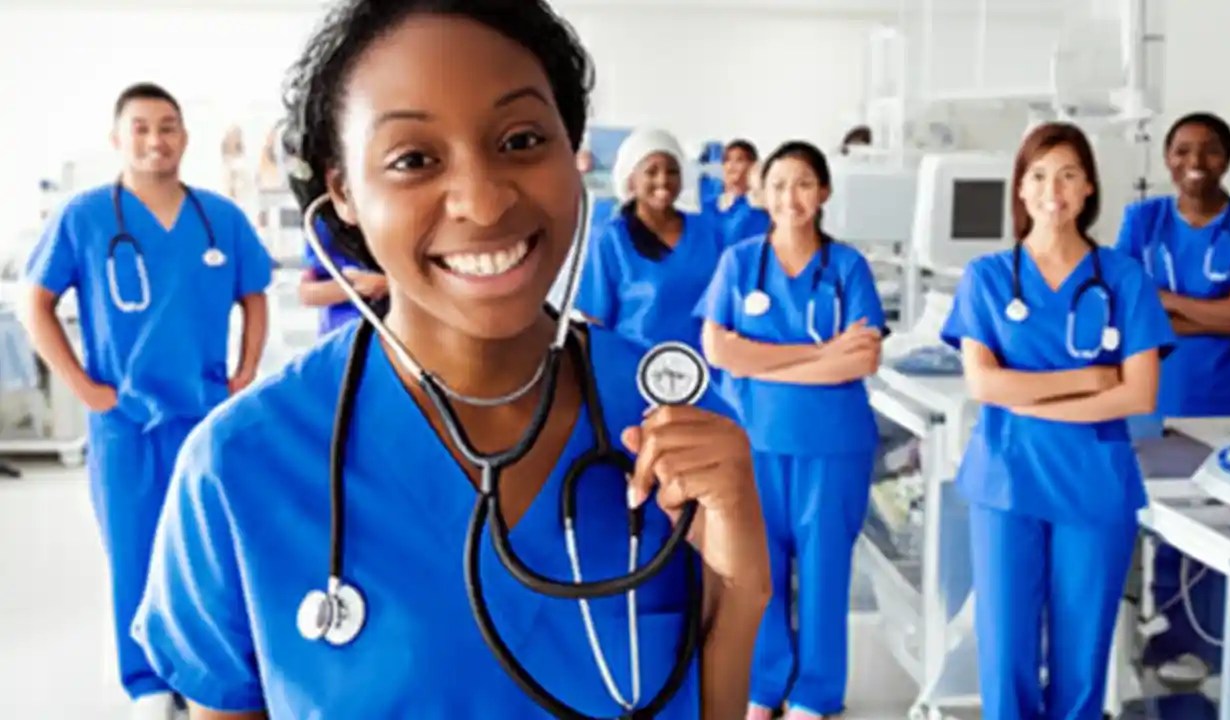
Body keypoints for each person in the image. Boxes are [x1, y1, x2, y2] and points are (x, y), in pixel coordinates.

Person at [129, 3, 770, 718]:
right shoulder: (240, 467)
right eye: (412, 159)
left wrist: (742, 590)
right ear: (342, 193)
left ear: (572, 150)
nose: (483, 200)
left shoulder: (680, 428)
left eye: (523, 138)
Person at [20, 82, 274, 720]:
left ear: (185, 138)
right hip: (125, 423)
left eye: (168, 126)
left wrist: (245, 370)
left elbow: (255, 294)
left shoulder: (221, 217)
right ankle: (149, 682)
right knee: (134, 550)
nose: (156, 139)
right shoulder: (85, 217)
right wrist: (84, 388)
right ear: (118, 140)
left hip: (206, 416)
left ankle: (210, 674)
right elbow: (36, 303)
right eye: (141, 127)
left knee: (210, 547)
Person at [940, 122, 1175, 720]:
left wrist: (1034, 400)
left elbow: (1139, 392)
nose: (1054, 189)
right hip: (1007, 482)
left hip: (1093, 482)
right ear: (1020, 189)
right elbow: (983, 383)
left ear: (1089, 187)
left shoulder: (1123, 278)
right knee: (1005, 651)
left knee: (1082, 653)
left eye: (1068, 174)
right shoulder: (989, 277)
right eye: (1039, 175)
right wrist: (1087, 379)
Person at [699, 141, 886, 720]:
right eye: (779, 185)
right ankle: (764, 684)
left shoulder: (847, 267)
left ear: (824, 192)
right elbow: (717, 349)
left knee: (826, 569)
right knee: (762, 573)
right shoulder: (740, 262)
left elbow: (863, 360)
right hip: (754, 442)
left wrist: (765, 359)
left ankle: (815, 694)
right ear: (761, 193)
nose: (791, 197)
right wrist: (817, 355)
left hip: (832, 447)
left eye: (804, 184)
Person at [1113, 112, 1230, 682]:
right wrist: (1219, 310)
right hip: (1158, 393)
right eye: (1183, 150)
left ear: (1227, 160)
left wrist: (1170, 304)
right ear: (1166, 157)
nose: (1195, 162)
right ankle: (1171, 637)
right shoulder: (1144, 218)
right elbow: (1126, 306)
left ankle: (1225, 644)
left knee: (1228, 520)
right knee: (1162, 519)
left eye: (1210, 151)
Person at [576, 128, 726, 353]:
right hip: (633, 369)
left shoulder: (709, 231)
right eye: (651, 171)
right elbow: (595, 319)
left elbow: (726, 306)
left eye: (672, 171)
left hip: (704, 372)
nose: (663, 180)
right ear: (631, 180)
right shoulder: (611, 239)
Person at [297, 217, 388, 335]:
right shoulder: (324, 223)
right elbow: (307, 295)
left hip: (393, 332)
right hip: (341, 335)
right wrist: (360, 286)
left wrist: (385, 285)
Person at [703, 139, 770, 246]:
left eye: (739, 160)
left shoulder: (761, 205)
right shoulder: (710, 205)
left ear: (753, 166)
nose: (731, 166)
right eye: (726, 160)